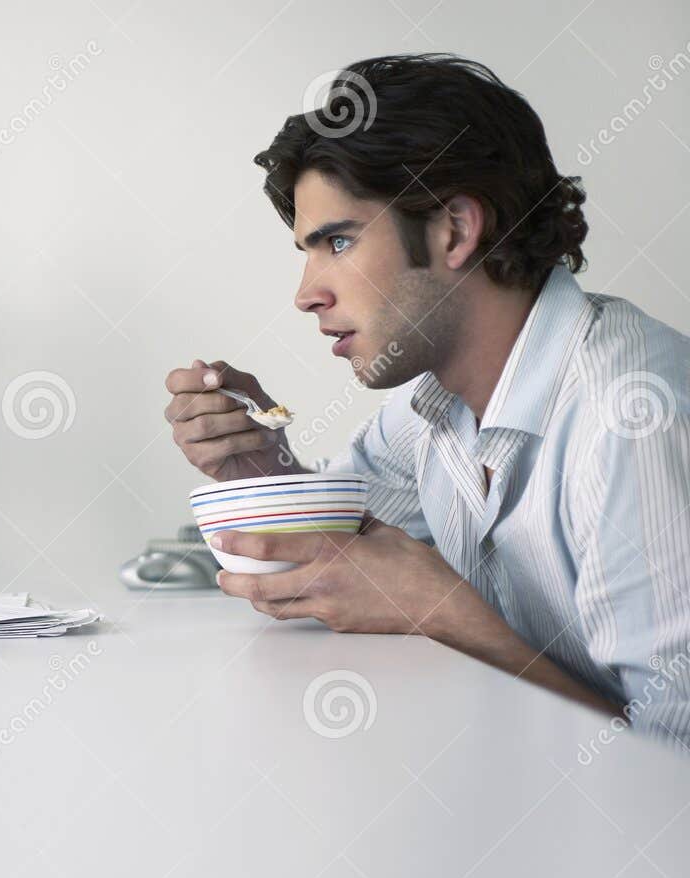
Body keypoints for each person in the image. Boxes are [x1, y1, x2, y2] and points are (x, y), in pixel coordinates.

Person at [163, 54, 690, 746]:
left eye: (339, 242)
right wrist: (261, 463)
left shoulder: (631, 417)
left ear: (454, 230)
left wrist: (444, 611)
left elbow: (671, 773)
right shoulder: (431, 410)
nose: (305, 293)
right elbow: (347, 561)